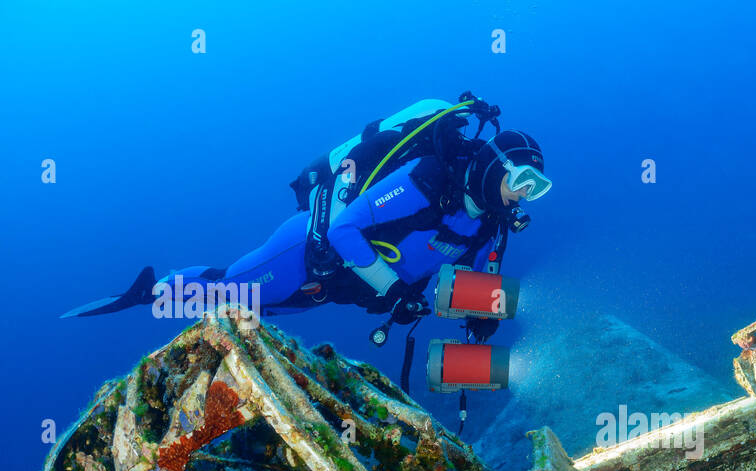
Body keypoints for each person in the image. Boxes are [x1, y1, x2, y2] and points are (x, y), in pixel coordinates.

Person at [61, 93, 549, 349]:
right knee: (232, 289)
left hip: (332, 288)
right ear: (495, 165)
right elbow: (344, 229)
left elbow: (451, 271)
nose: (526, 195)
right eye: (524, 180)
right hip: (306, 253)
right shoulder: (428, 177)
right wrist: (394, 291)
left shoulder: (487, 223)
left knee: (249, 313)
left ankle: (161, 298)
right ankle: (147, 293)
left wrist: (475, 315)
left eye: (537, 189)